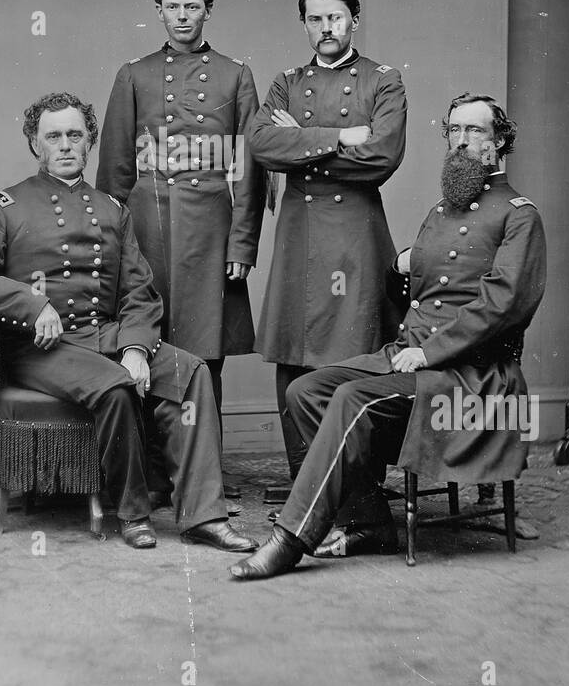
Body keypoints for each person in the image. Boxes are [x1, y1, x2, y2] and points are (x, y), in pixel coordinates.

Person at [230, 92, 546, 580]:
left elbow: (502, 306)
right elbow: (420, 293)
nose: (460, 142)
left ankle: (291, 539)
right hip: (415, 355)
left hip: (472, 377)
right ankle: (369, 522)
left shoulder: (518, 215)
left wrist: (428, 351)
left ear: (500, 142)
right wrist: (401, 268)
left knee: (354, 398)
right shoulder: (443, 210)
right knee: (305, 390)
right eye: (453, 130)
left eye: (475, 131)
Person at [0, 91, 259, 554]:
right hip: (38, 349)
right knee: (115, 388)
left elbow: (138, 290)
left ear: (90, 140)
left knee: (192, 372)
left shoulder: (112, 208)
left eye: (75, 134)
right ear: (35, 144)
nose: (66, 144)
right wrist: (32, 304)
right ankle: (133, 514)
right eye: (54, 136)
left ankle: (203, 516)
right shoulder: (4, 207)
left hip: (105, 337)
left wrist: (134, 347)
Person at [246, 0, 407, 483]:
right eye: (314, 19)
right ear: (305, 24)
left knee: (355, 351)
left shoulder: (383, 80)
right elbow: (262, 145)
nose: (325, 28)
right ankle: (304, 483)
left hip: (354, 238)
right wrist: (342, 136)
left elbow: (380, 157)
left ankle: (358, 485)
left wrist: (304, 146)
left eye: (334, 17)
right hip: (301, 237)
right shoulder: (287, 81)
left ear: (354, 20)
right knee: (293, 350)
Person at [96, 0, 265, 427]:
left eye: (192, 6)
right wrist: (108, 247)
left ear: (208, 10)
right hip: (146, 230)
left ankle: (201, 463)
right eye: (173, 6)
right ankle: (150, 468)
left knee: (205, 351)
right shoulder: (134, 74)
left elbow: (248, 170)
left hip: (211, 233)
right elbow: (114, 169)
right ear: (159, 11)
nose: (183, 16)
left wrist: (242, 245)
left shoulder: (236, 75)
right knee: (142, 340)